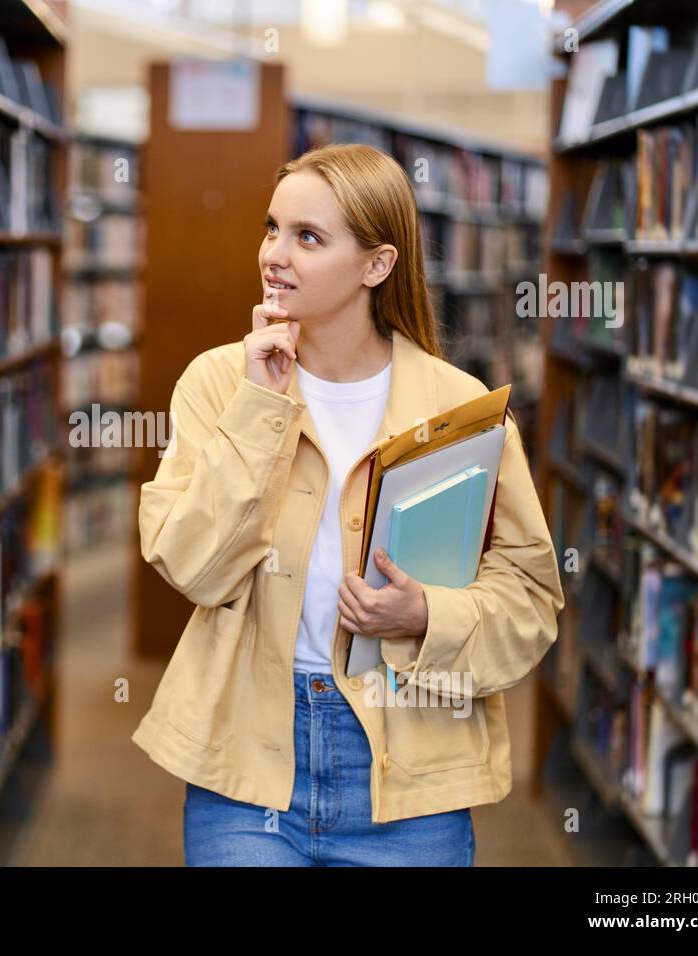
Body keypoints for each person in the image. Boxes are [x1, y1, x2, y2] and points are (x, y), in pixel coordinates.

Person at [131, 143, 565, 866]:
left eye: (307, 237)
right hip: (249, 757)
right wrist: (261, 409)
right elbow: (190, 565)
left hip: (409, 769)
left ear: (377, 265)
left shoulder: (460, 408)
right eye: (272, 228)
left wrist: (426, 613)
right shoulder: (219, 383)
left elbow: (531, 600)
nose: (274, 254)